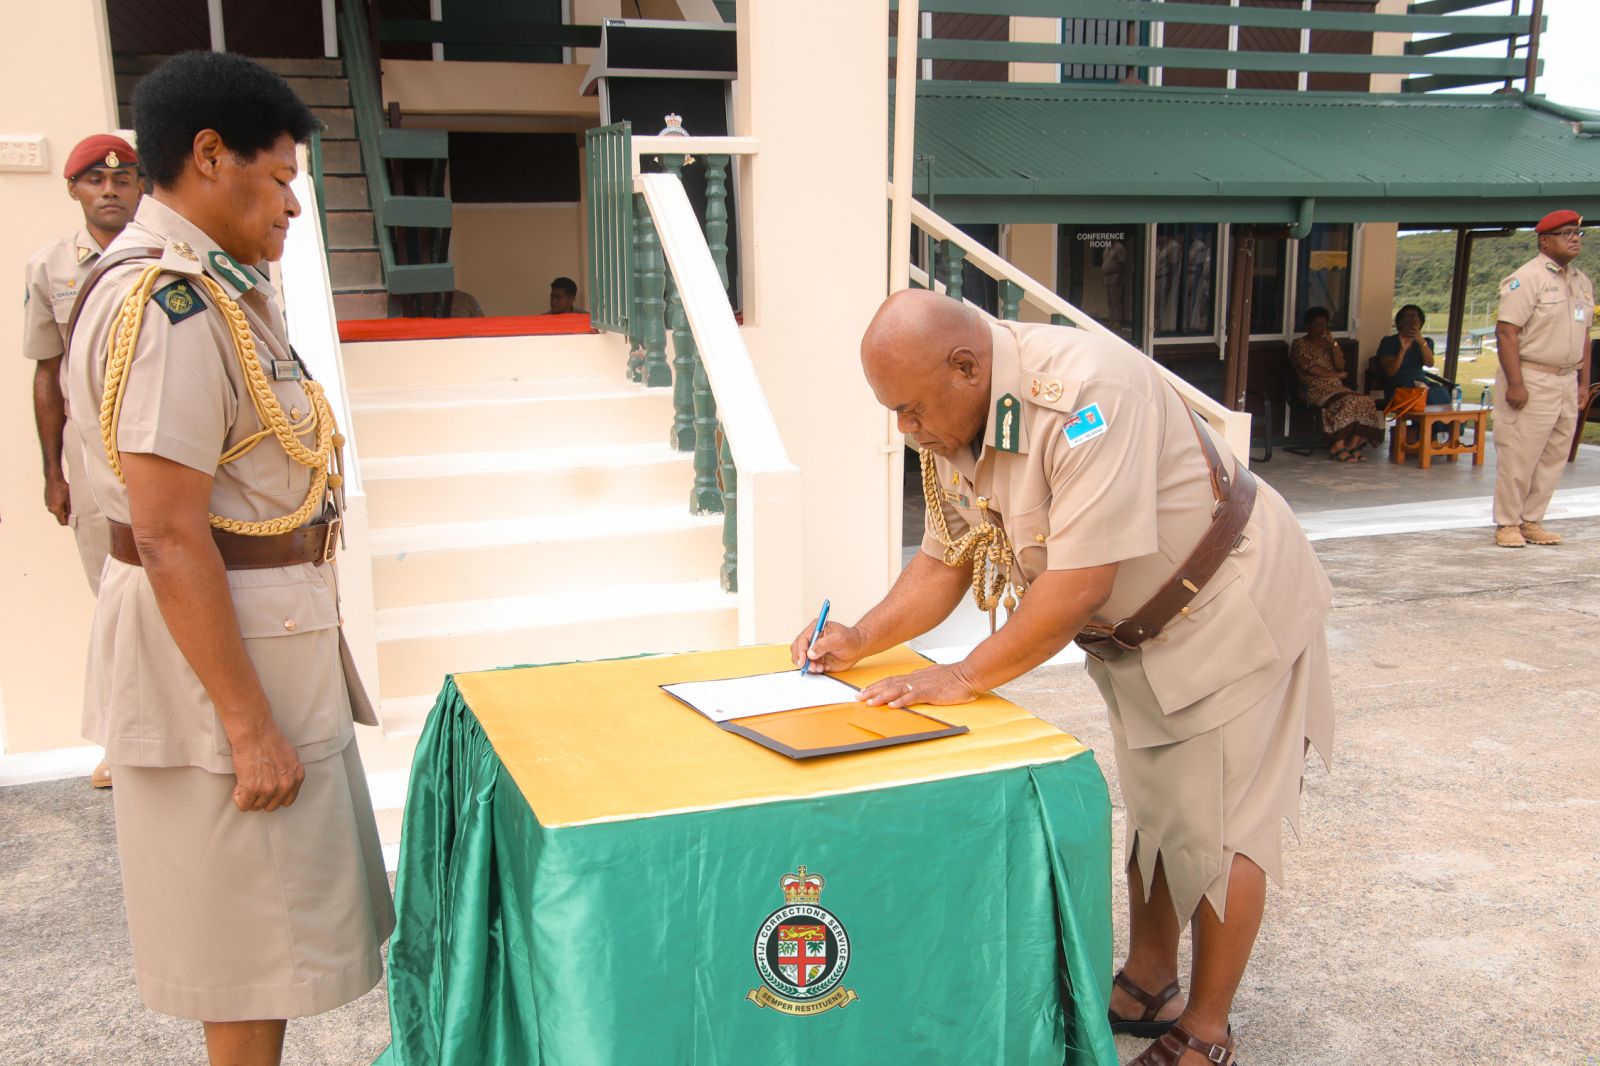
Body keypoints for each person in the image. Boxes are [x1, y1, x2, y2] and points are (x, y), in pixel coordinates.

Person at [793, 290, 1332, 1066]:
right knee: (1159, 804)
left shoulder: (1087, 392)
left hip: (1226, 605)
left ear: (966, 366)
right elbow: (946, 554)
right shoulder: (956, 414)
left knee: (1225, 825)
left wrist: (966, 675)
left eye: (909, 409)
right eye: (894, 411)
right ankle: (1150, 983)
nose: (904, 428)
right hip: (1137, 634)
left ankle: (1206, 1032)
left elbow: (1078, 580)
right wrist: (860, 636)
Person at [64, 52, 393, 1066]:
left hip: (258, 634)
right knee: (250, 942)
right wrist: (248, 727)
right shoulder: (167, 305)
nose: (295, 204)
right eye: (282, 176)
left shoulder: (217, 292)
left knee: (265, 940)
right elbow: (163, 529)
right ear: (210, 158)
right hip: (227, 659)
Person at [22, 134, 142, 789]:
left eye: (123, 179)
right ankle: (123, 743)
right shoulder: (49, 269)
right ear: (74, 189)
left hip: (165, 446)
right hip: (91, 456)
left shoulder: (166, 258)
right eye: (94, 180)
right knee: (114, 598)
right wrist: (53, 472)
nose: (109, 190)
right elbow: (47, 374)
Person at [1491, 210, 1593, 548]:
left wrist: (1582, 383)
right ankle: (1508, 524)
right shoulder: (1527, 278)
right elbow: (1507, 332)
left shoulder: (1581, 281)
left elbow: (1585, 337)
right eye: (1565, 233)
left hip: (1565, 378)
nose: (1574, 238)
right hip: (1532, 375)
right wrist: (1516, 384)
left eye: (1577, 233)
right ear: (1544, 241)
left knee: (1554, 455)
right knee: (1519, 453)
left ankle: (1532, 520)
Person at [1288, 306, 1384, 462]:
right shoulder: (1300, 344)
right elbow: (1312, 369)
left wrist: (1333, 344)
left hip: (1336, 387)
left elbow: (1340, 366)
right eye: (1316, 325)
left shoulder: (1329, 344)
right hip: (1314, 388)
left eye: (1323, 325)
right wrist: (1336, 375)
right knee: (1345, 401)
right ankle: (1337, 446)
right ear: (1308, 326)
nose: (1320, 329)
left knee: (1365, 401)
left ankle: (1352, 445)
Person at [1376, 304, 1449, 407]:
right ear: (1401, 322)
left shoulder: (1426, 342)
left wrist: (1421, 342)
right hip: (1398, 385)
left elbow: (1430, 364)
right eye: (1409, 317)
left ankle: (1433, 423)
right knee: (1428, 397)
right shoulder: (1389, 342)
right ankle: (1425, 423)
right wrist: (1403, 349)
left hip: (1420, 382)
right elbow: (1391, 371)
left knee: (1442, 394)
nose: (1413, 321)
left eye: (1416, 318)